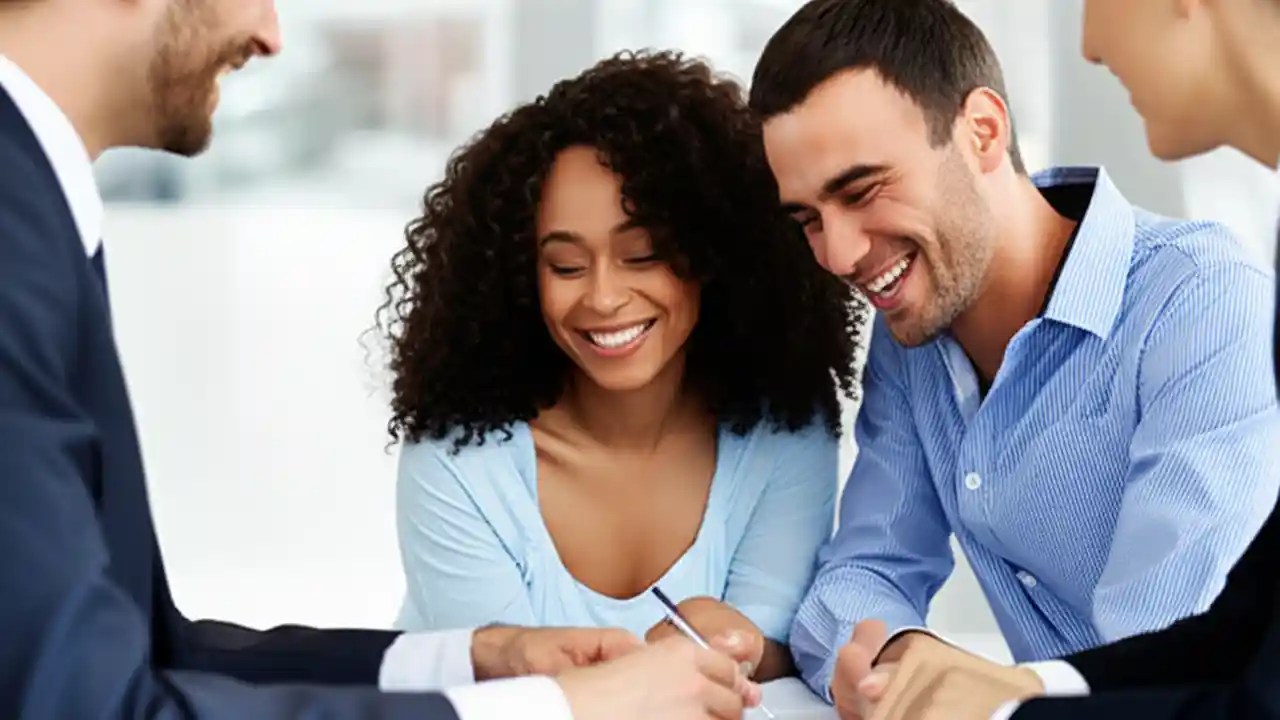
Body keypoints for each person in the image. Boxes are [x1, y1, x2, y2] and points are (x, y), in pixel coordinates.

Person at [0, 1, 761, 718]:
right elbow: (84, 705)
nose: (271, 34)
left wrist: (482, 659)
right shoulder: (12, 224)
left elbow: (157, 653)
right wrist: (568, 709)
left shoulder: (32, 202)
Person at [744, 0, 1280, 716]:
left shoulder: (1201, 305)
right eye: (809, 219)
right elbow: (858, 577)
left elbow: (1177, 644)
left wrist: (995, 700)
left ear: (983, 132)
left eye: (864, 190)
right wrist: (903, 664)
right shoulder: (913, 337)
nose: (837, 255)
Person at [380, 49, 861, 684]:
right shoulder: (458, 460)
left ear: (715, 255)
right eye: (567, 266)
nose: (603, 298)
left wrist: (742, 643)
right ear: (520, 280)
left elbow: (773, 656)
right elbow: (523, 701)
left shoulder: (786, 428)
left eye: (642, 256)